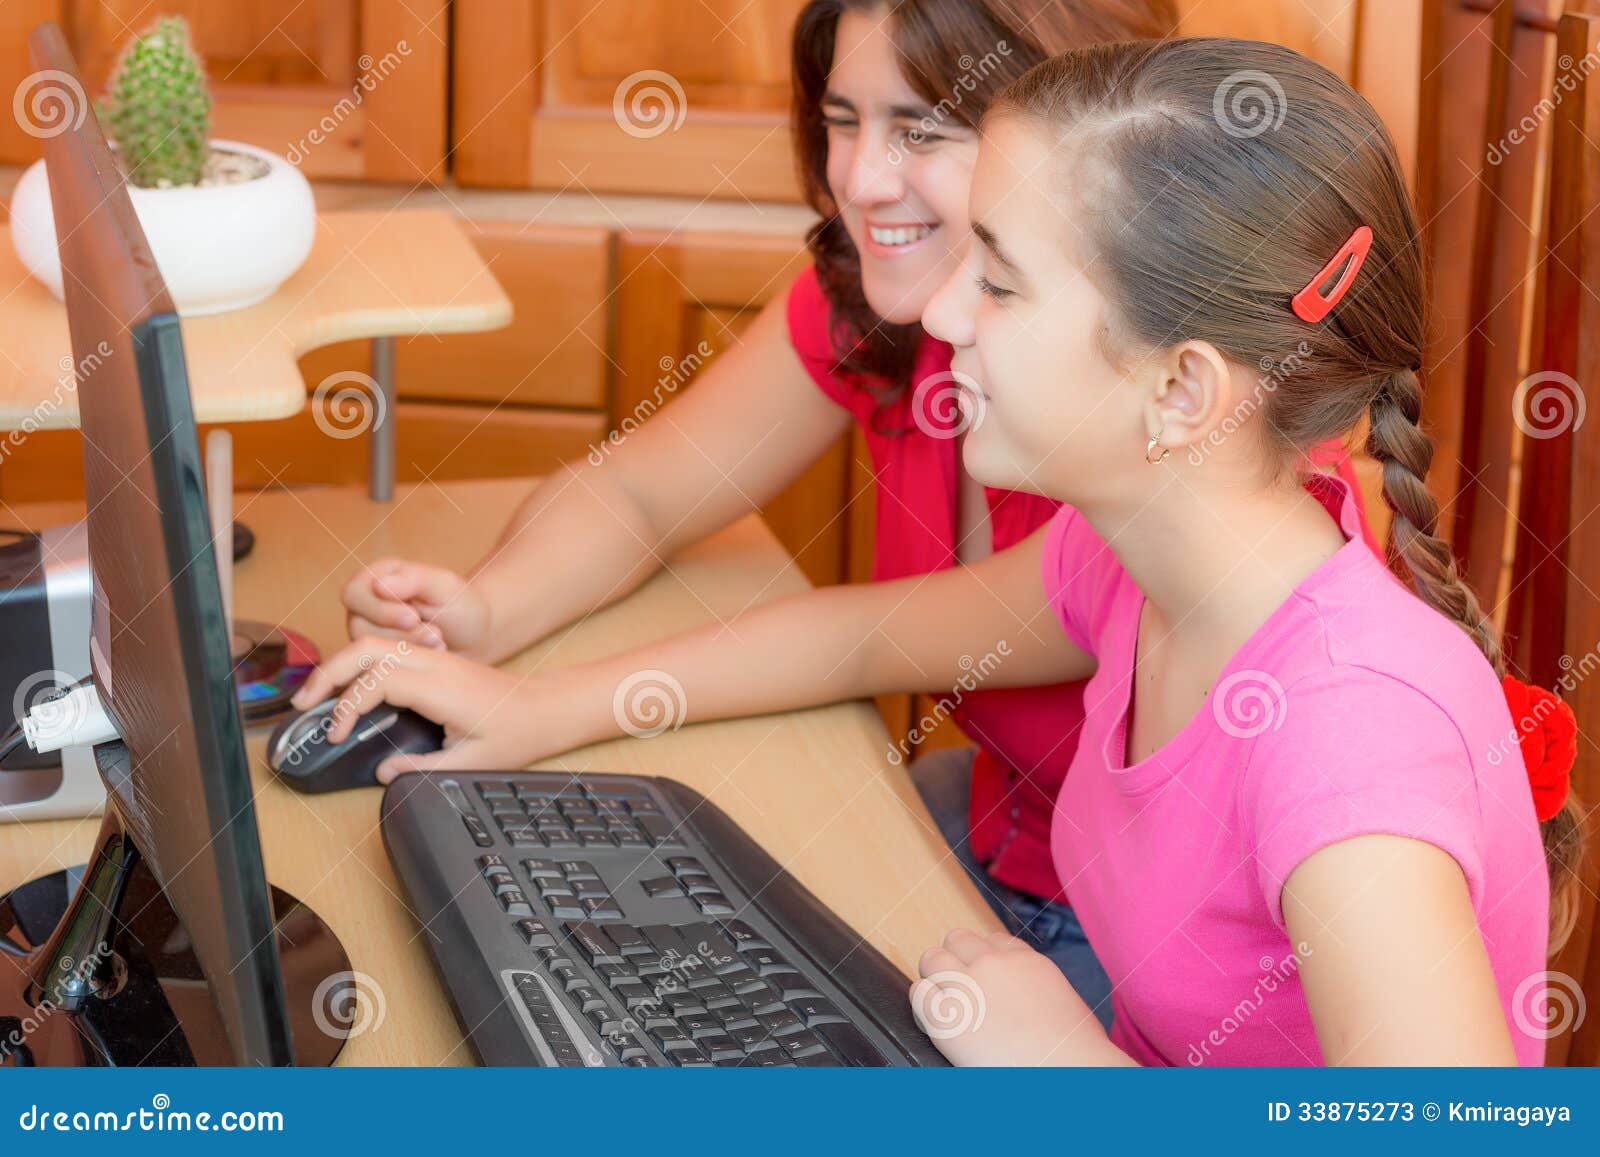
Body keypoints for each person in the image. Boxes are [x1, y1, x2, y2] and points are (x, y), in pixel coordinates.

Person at [303, 0, 1178, 1021]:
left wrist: (542, 706)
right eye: (844, 119)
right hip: (994, 838)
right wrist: (483, 613)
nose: (857, 178)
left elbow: (867, 638)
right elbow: (642, 489)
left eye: (921, 129)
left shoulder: (1151, 420)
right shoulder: (896, 301)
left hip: (1127, 942)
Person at [901, 37, 1579, 1065]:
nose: (938, 310)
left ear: (1181, 393)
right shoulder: (1145, 563)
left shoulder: (1347, 731)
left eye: (997, 280)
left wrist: (1065, 1070)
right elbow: (867, 635)